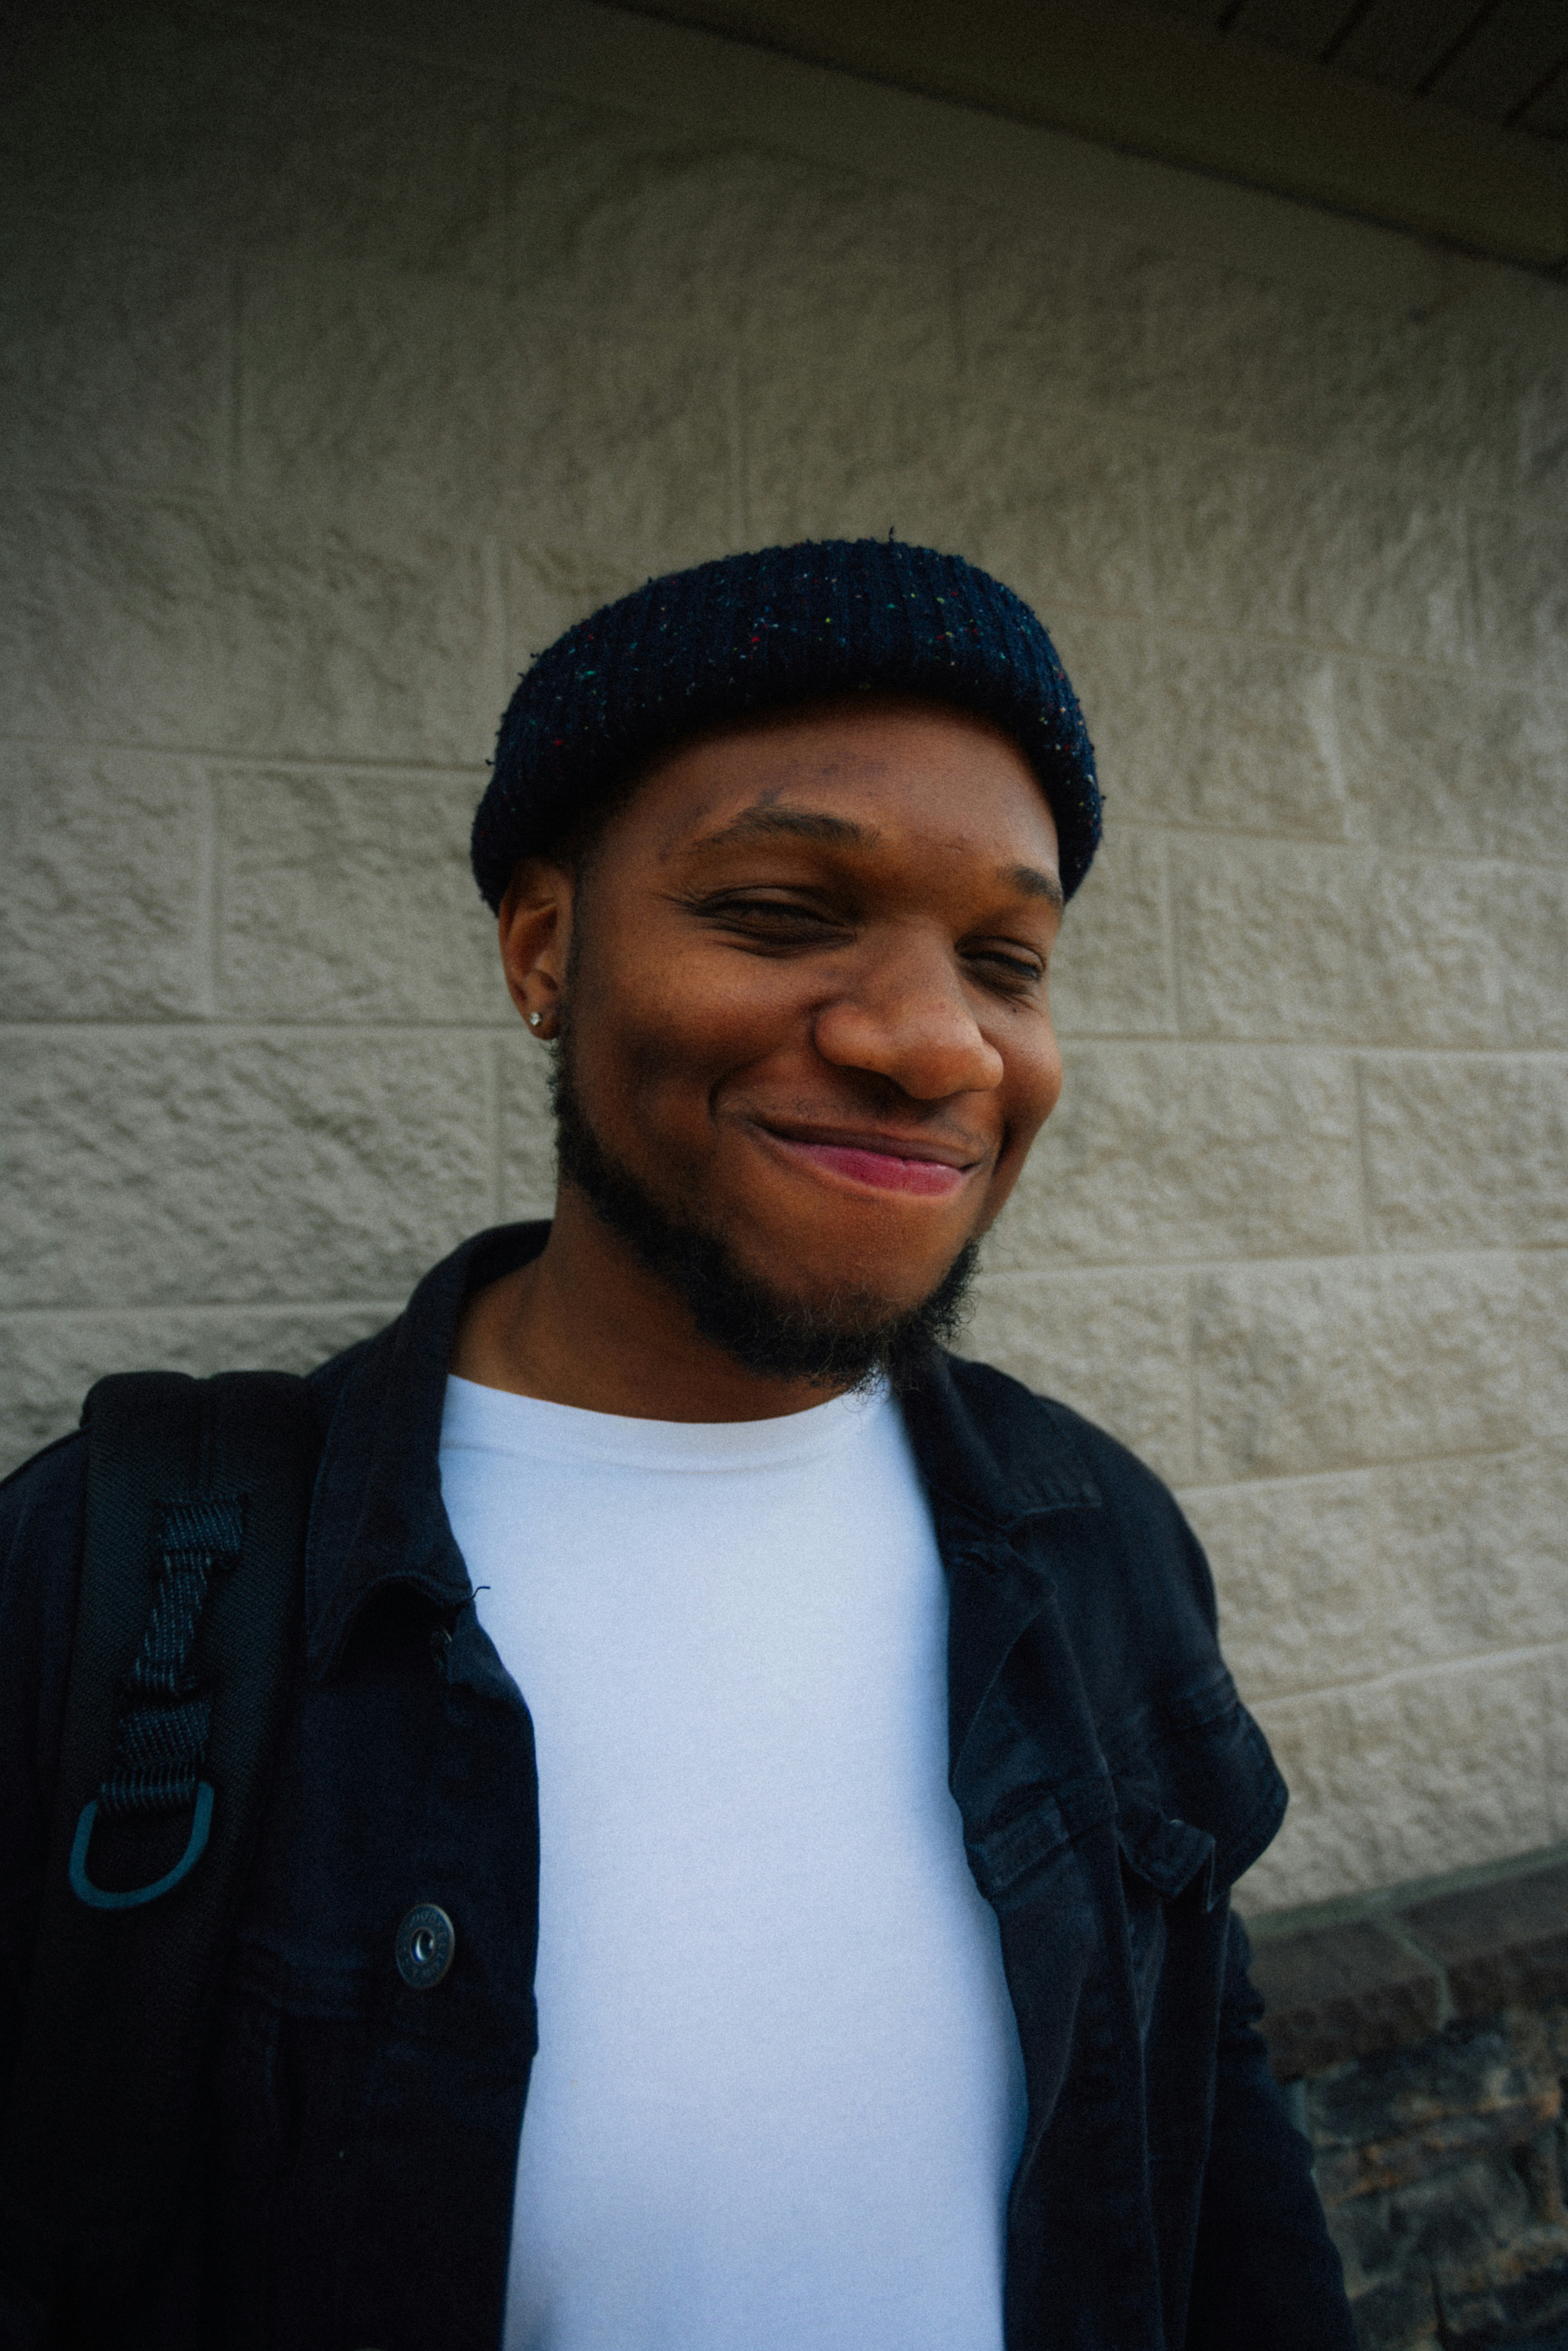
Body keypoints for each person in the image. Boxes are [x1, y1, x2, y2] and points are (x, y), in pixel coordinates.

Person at [0, 539, 1355, 2350]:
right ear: (546, 949)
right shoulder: (127, 1582)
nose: (930, 1040)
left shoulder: (1093, 1534)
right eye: (782, 913)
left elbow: (1218, 2176)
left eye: (1006, 960)